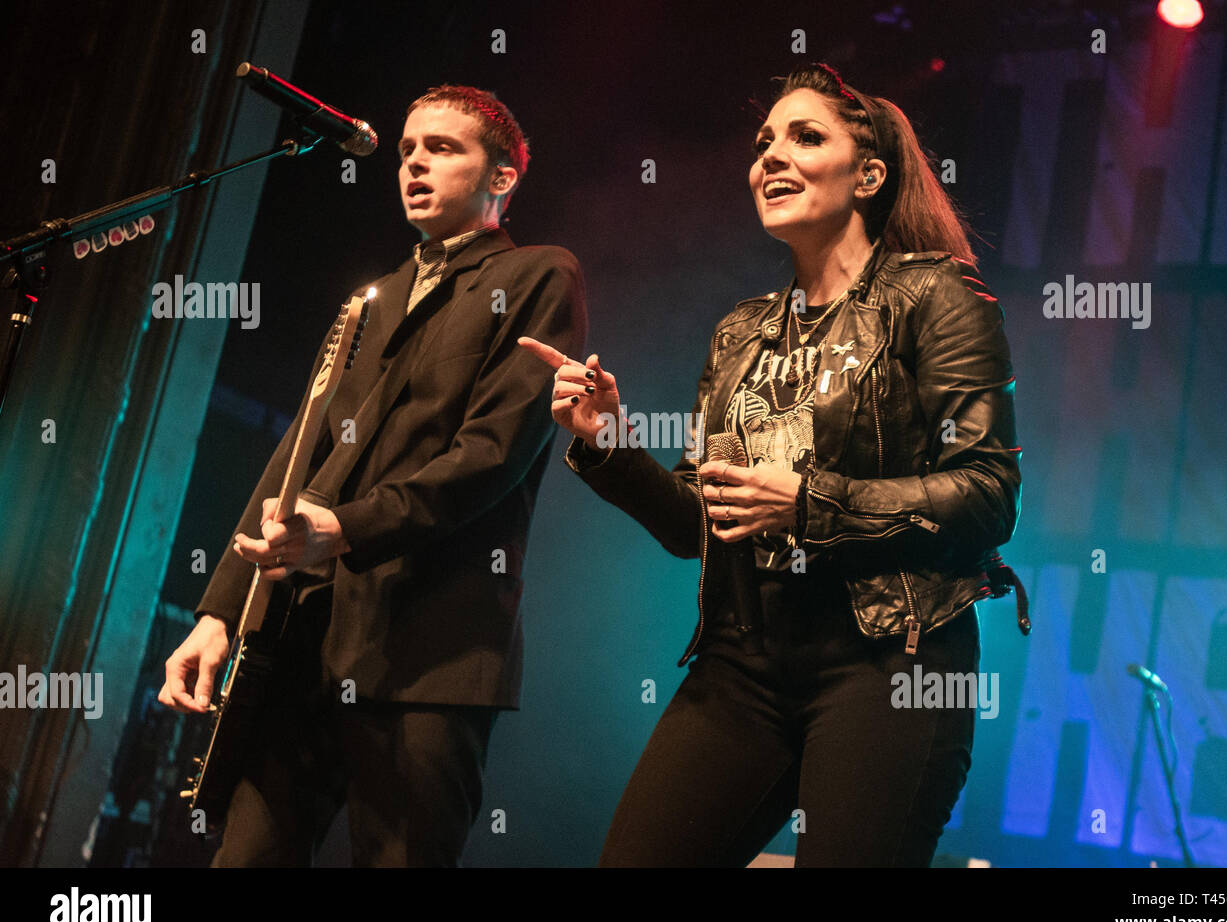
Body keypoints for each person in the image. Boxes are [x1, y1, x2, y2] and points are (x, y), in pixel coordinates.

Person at [520, 62, 1030, 867]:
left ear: (869, 175)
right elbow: (699, 523)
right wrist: (608, 443)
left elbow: (988, 494)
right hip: (744, 662)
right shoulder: (741, 332)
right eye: (764, 143)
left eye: (804, 136)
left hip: (890, 658)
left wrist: (809, 504)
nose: (772, 157)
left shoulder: (936, 295)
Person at [159, 85, 587, 866]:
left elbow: (492, 454)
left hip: (429, 653)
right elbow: (295, 457)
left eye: (443, 148)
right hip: (302, 640)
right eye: (407, 150)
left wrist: (343, 529)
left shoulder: (538, 275)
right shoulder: (370, 300)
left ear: (501, 178)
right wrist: (222, 609)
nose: (416, 161)